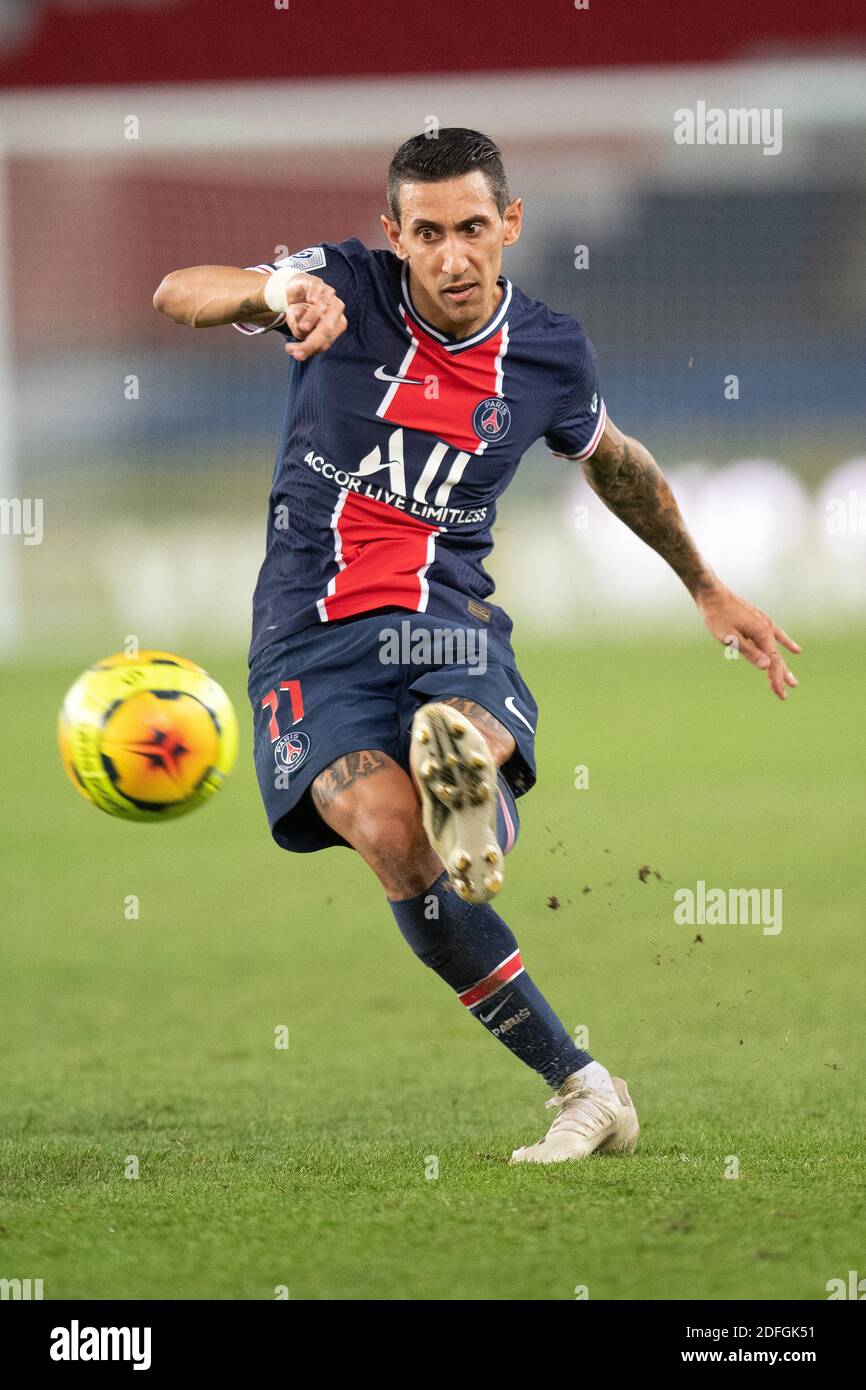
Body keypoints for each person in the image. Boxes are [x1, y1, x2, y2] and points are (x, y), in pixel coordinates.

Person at [153, 128, 800, 1163]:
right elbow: (181, 290)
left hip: (440, 617)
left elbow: (616, 464)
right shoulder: (339, 287)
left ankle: (471, 799)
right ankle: (585, 1086)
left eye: (469, 228)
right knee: (380, 830)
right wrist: (272, 296)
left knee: (457, 727)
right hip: (305, 636)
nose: (451, 256)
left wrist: (706, 586)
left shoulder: (546, 352)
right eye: (425, 233)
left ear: (508, 224)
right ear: (392, 236)